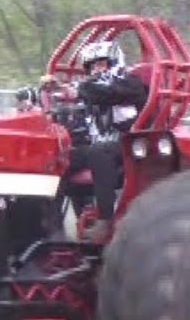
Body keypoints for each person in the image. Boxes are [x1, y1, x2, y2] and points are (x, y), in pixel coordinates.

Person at [50, 40, 148, 243]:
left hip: (134, 145)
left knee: (99, 151)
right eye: (92, 66)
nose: (96, 70)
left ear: (114, 62)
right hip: (105, 146)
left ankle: (106, 219)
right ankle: (52, 226)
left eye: (101, 64)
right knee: (58, 159)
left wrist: (79, 90)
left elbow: (108, 93)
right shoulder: (90, 90)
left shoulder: (132, 84)